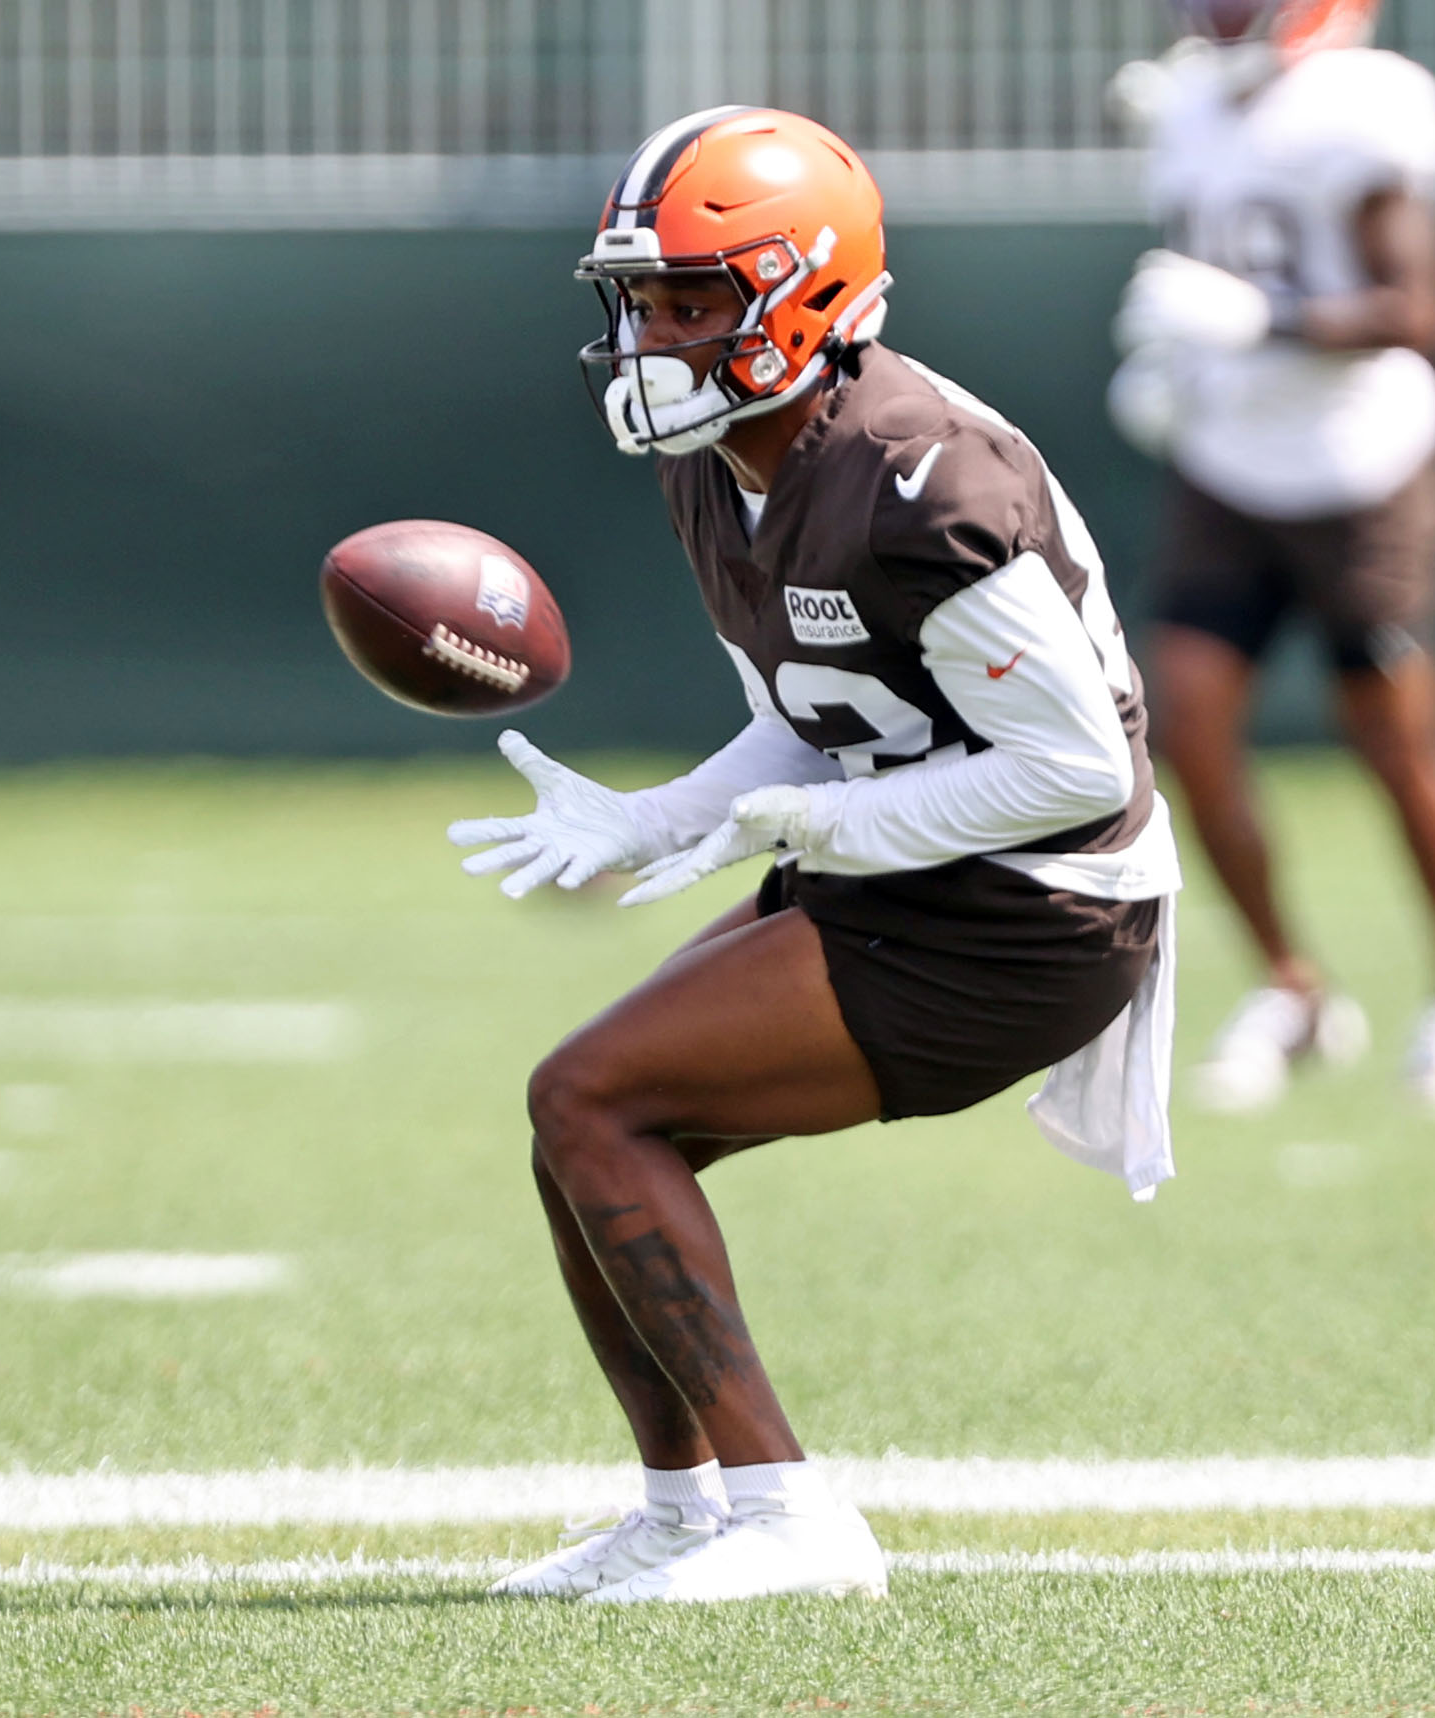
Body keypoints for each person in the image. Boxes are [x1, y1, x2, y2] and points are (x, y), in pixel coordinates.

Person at [448, 107, 1182, 1604]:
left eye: (695, 299)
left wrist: (834, 825)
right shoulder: (720, 452)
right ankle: (683, 1509)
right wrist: (661, 814)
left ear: (811, 293)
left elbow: (1073, 769)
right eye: (640, 300)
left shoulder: (927, 482)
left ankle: (791, 1517)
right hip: (924, 869)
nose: (654, 335)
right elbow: (809, 719)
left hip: (1037, 907)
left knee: (592, 1095)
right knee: (582, 1126)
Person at [1107, 0, 1435, 1117]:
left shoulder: (1370, 103)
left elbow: (1417, 308)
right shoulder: (1187, 99)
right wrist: (1179, 366)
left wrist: (1259, 323)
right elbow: (1200, 270)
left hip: (1360, 469)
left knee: (1394, 742)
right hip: (1225, 464)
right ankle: (1293, 989)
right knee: (1185, 728)